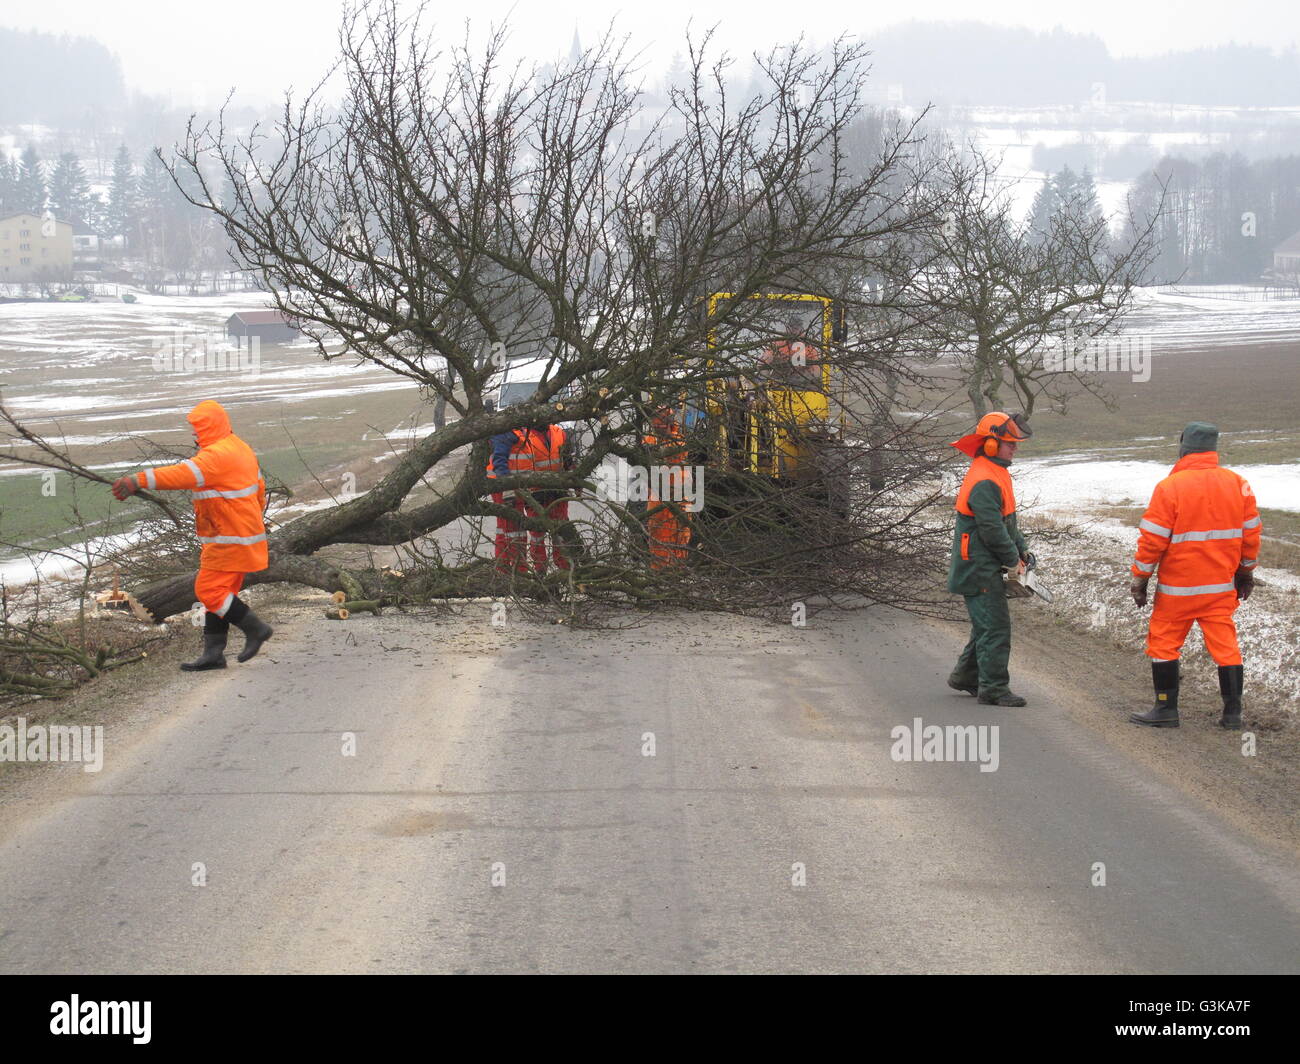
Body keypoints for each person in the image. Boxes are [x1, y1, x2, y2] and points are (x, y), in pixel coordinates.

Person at [111, 400, 272, 671]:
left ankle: (255, 628)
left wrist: (138, 480)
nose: (194, 435)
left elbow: (183, 474)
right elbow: (259, 491)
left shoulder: (217, 455)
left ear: (209, 427)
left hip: (229, 538)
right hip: (241, 536)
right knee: (220, 594)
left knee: (208, 591)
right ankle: (213, 654)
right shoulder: (240, 448)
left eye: (197, 429)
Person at [1128, 422, 1261, 729]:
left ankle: (1165, 709)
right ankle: (1232, 714)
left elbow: (1152, 541)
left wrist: (1140, 578)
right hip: (1219, 589)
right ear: (1213, 449)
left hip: (1178, 591)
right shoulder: (1238, 483)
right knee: (1226, 646)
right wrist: (1246, 571)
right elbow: (1251, 534)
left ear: (1183, 448)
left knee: (1164, 643)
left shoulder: (1169, 487)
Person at [945, 411, 1033, 707]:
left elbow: (1007, 521)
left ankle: (966, 677)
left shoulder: (997, 472)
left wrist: (1022, 550)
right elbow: (992, 530)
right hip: (977, 566)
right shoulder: (984, 479)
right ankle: (994, 688)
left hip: (983, 563)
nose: (1015, 448)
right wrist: (1011, 560)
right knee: (995, 627)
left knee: (986, 625)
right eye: (1010, 443)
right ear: (992, 444)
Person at [487, 416, 573, 574]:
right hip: (514, 486)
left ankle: (559, 565)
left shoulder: (556, 432)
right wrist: (507, 486)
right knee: (513, 530)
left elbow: (566, 459)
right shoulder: (511, 434)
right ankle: (516, 570)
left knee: (556, 528)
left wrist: (571, 478)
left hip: (542, 487)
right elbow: (500, 459)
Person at [644, 404, 692, 569]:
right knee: (657, 535)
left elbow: (669, 457)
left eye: (658, 422)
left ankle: (676, 572)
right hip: (657, 499)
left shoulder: (677, 441)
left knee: (678, 536)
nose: (655, 426)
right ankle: (659, 571)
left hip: (677, 497)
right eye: (654, 422)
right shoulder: (650, 439)